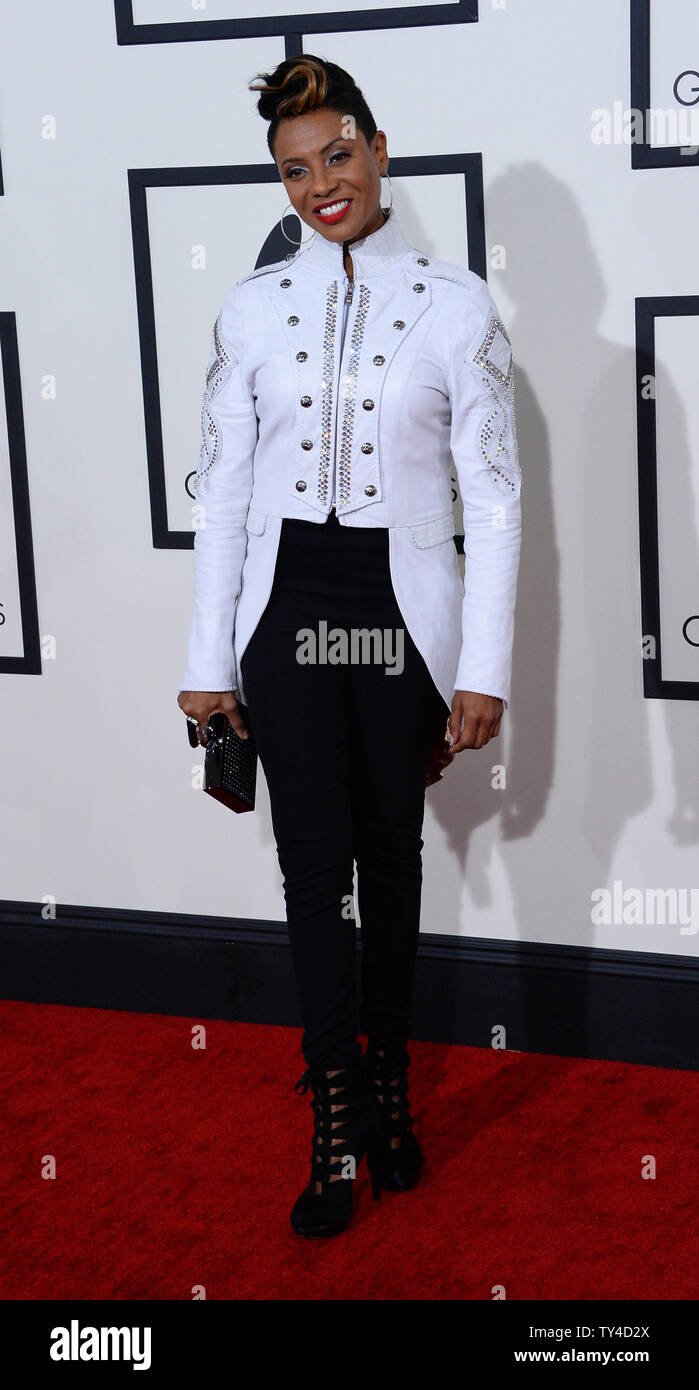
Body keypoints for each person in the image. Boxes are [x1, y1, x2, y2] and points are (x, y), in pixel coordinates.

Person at [177, 55, 522, 1238]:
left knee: (396, 859)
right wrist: (207, 659)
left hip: (398, 612)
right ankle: (333, 1109)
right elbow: (222, 496)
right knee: (312, 868)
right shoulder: (248, 307)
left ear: (378, 150)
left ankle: (391, 1082)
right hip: (282, 612)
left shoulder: (455, 301)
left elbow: (499, 497)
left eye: (336, 154)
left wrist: (484, 668)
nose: (320, 182)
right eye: (294, 168)